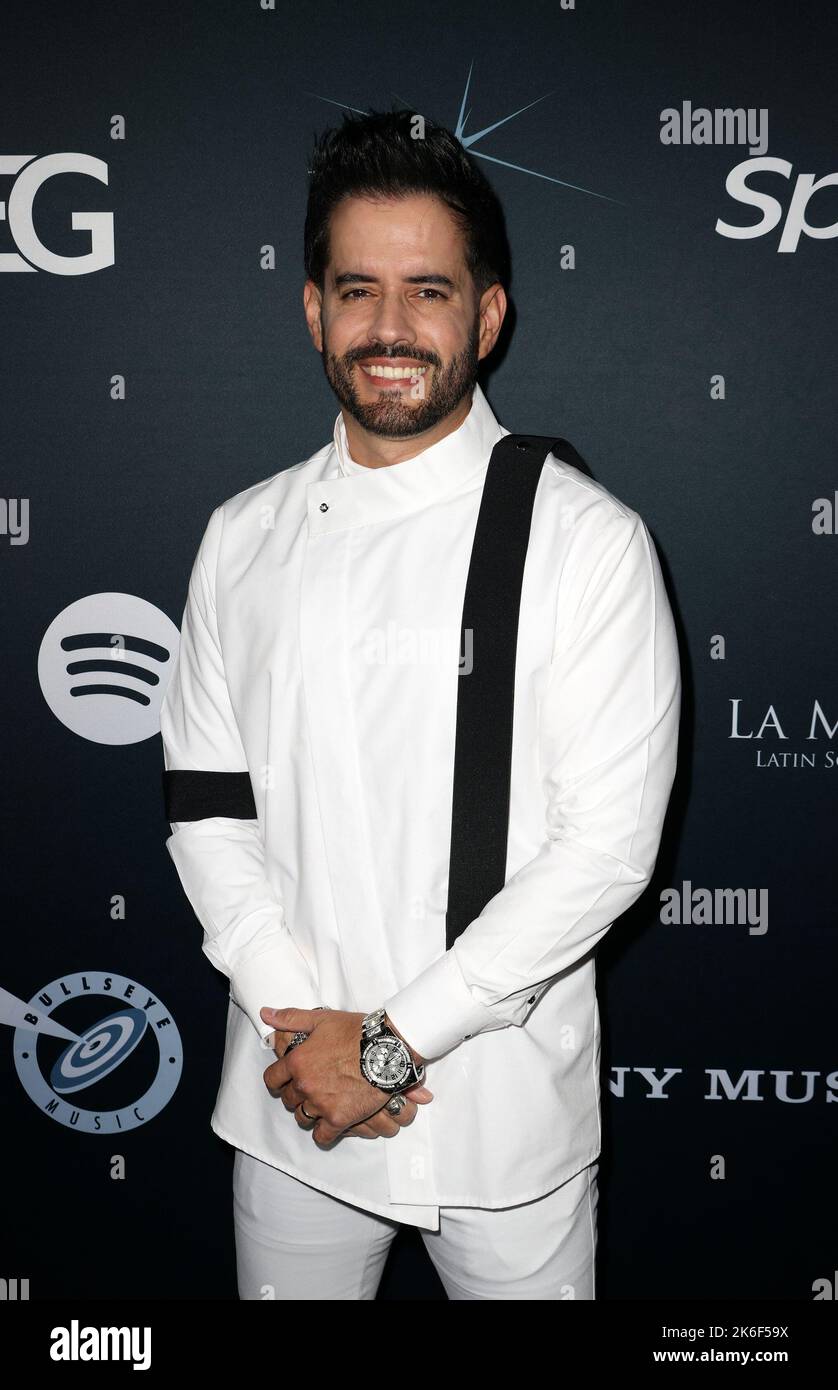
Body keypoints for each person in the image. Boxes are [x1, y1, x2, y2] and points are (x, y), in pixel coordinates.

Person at [159, 107, 681, 1300]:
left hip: (502, 1126)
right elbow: (205, 807)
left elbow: (603, 852)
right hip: (291, 1107)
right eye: (357, 289)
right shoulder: (240, 539)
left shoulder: (583, 540)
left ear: (487, 316)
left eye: (428, 291)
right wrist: (308, 1039)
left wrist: (388, 1045)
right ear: (312, 308)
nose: (389, 328)